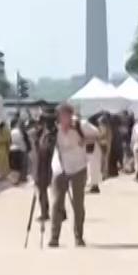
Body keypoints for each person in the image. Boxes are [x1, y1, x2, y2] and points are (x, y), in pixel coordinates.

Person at [49, 103, 98, 247]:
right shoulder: (54, 129)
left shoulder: (80, 125)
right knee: (57, 202)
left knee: (78, 204)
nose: (66, 118)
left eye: (68, 115)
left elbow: (97, 135)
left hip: (79, 167)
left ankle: (78, 236)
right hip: (60, 168)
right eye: (63, 115)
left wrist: (85, 140)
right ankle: (54, 237)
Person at [32, 114, 56, 221]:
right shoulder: (44, 135)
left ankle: (46, 213)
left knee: (44, 191)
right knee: (46, 190)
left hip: (46, 167)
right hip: (44, 166)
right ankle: (48, 212)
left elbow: (45, 151)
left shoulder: (49, 136)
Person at [8, 119, 28, 184]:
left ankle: (14, 180)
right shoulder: (18, 132)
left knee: (13, 166)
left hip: (11, 150)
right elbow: (21, 141)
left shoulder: (11, 132)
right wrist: (24, 149)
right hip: (18, 150)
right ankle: (16, 180)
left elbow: (9, 141)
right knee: (17, 166)